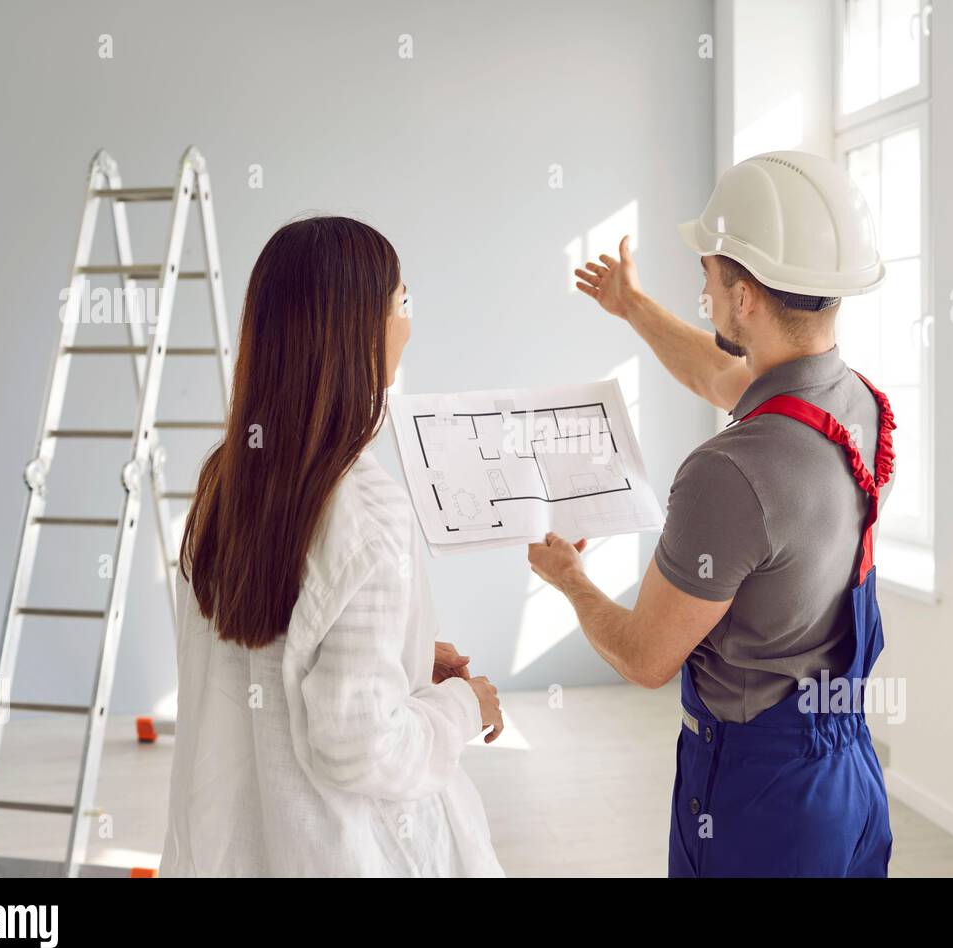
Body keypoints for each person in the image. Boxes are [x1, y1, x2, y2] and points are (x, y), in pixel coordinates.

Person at [526, 151, 895, 876]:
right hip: (849, 782)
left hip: (758, 797)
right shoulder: (859, 405)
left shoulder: (729, 472)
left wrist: (568, 577)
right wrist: (633, 306)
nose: (703, 286)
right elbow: (724, 373)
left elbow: (643, 656)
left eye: (709, 272)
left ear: (746, 297)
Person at [161, 216, 504, 877]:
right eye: (402, 303)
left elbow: (266, 653)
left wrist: (403, 656)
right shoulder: (366, 511)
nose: (410, 324)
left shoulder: (227, 480)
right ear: (358, 331)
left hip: (235, 850)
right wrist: (463, 707)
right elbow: (356, 745)